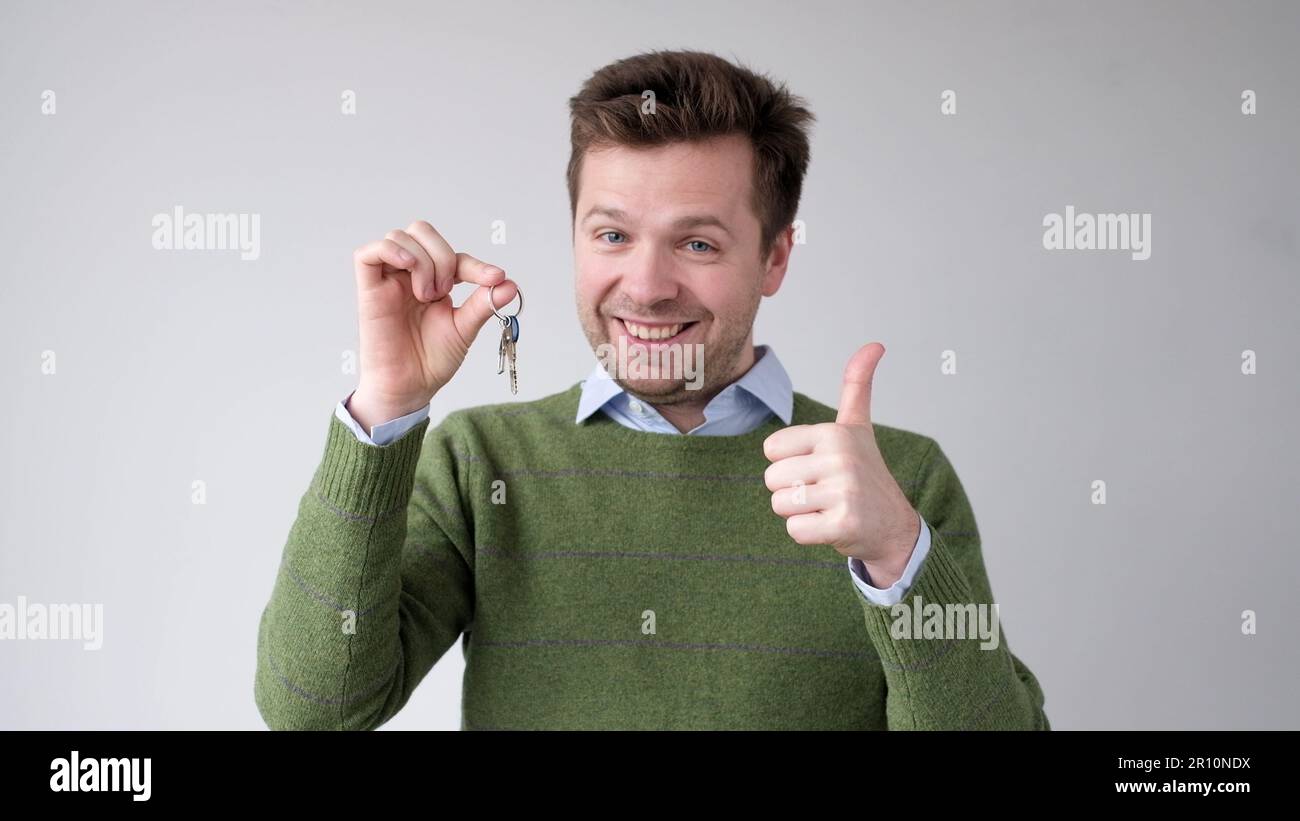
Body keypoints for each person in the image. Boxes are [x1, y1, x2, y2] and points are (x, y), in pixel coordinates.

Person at [254, 49, 1049, 730]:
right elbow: (313, 709)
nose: (645, 284)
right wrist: (387, 406)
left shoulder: (897, 480)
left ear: (775, 257)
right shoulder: (481, 462)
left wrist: (896, 556)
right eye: (612, 235)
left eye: (697, 242)